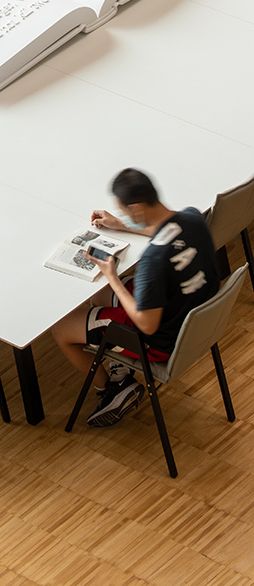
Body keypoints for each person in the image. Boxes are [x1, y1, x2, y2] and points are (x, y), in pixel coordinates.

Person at [51, 167, 219, 428]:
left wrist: (113, 277)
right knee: (102, 295)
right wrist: (122, 226)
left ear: (137, 208)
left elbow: (146, 325)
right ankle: (120, 372)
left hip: (160, 342)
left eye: (125, 211)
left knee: (61, 329)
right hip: (194, 321)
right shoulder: (193, 218)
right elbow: (167, 231)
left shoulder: (154, 261)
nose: (125, 215)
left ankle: (113, 390)